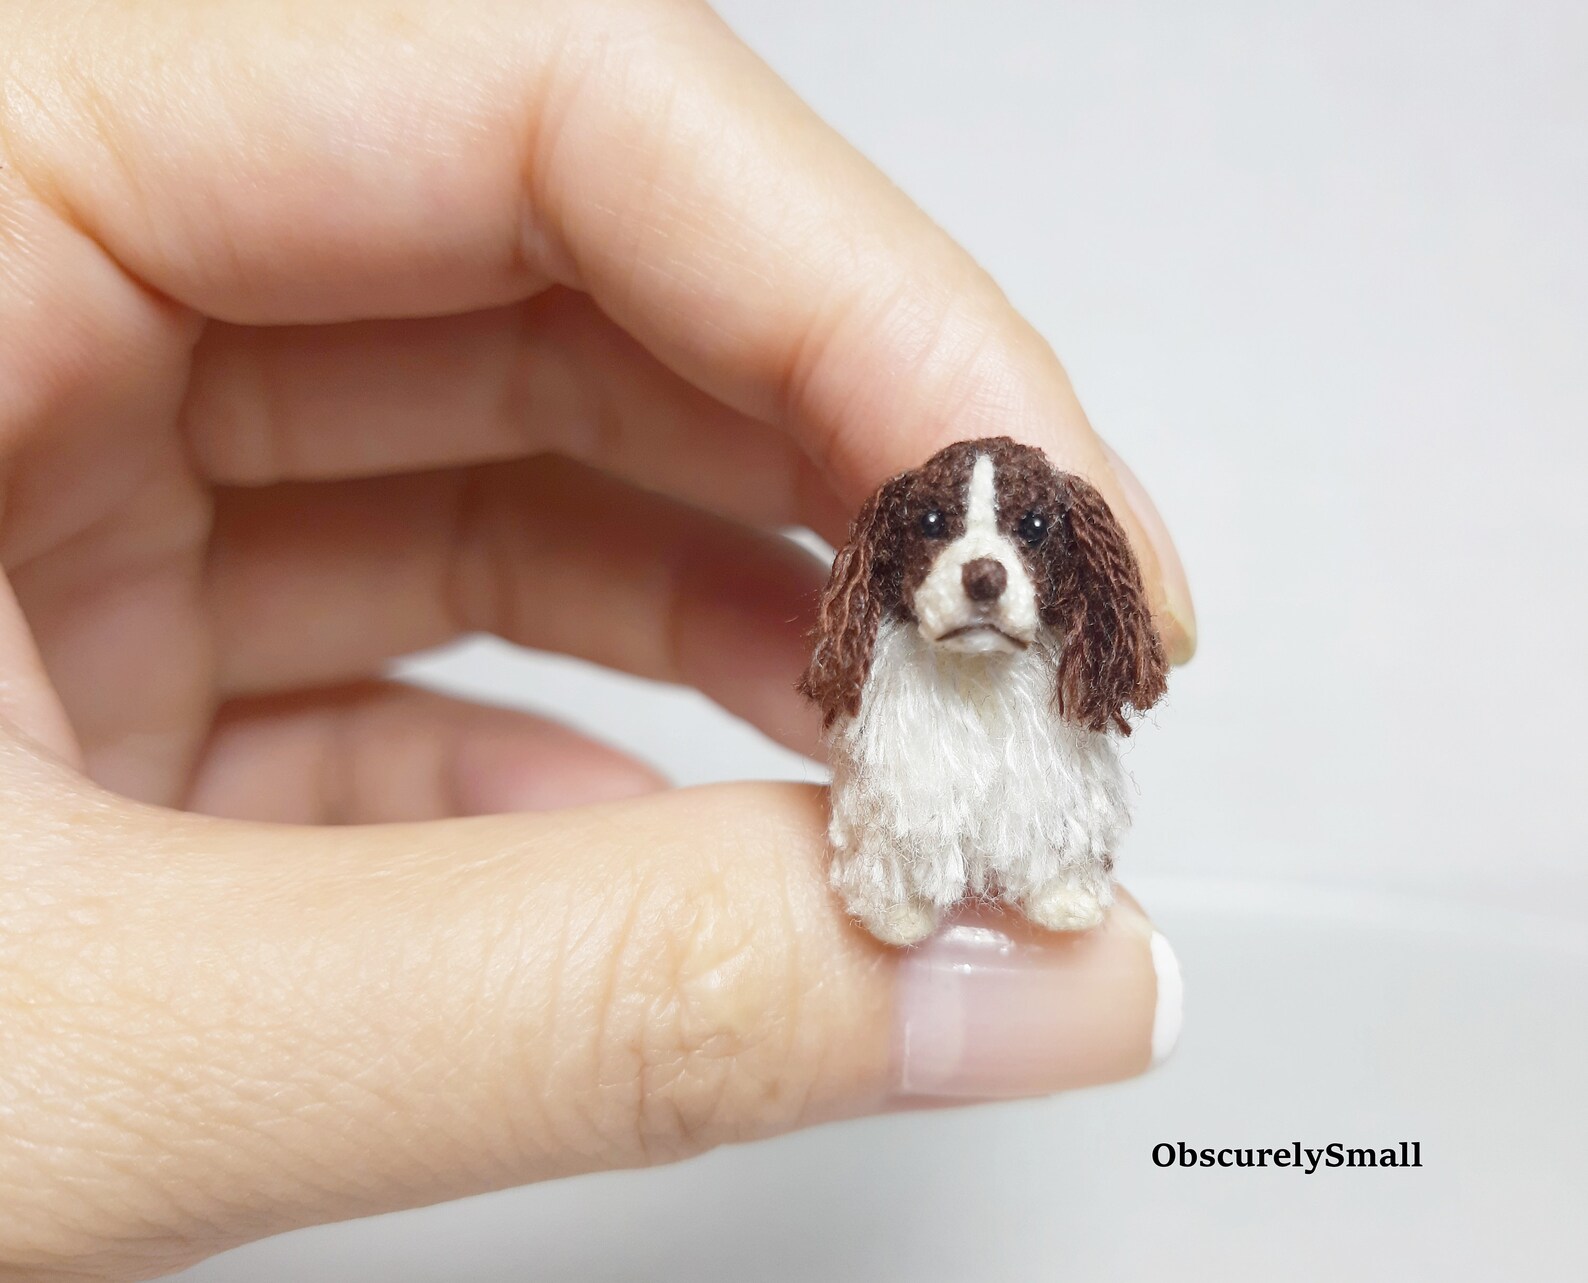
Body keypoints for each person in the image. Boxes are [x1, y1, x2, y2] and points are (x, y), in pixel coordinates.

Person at [0, 1, 1196, 1276]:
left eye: (1016, 532)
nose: (979, 560)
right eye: (943, 534)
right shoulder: (892, 674)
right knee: (896, 833)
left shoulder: (1051, 682)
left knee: (1049, 837)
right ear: (891, 566)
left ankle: (1035, 873)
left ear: (1068, 570)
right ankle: (901, 883)